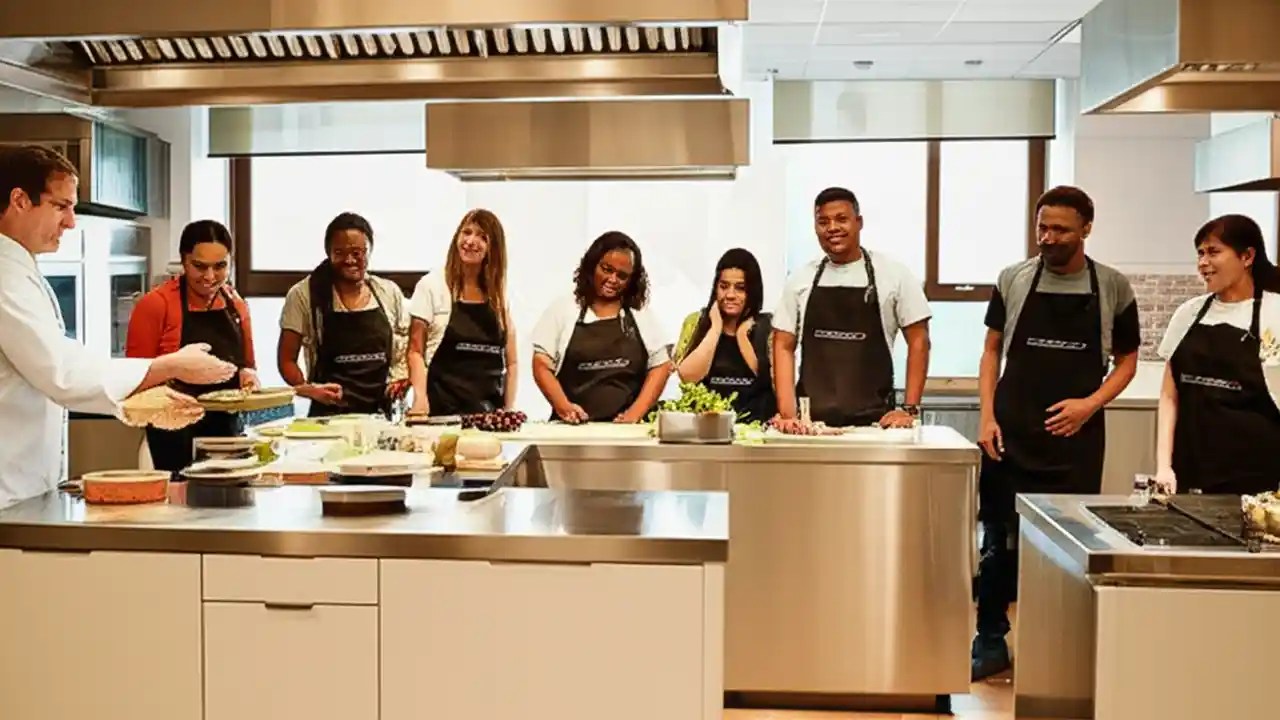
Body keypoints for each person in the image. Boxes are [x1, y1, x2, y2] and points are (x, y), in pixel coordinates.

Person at [0, 145, 234, 507]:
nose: (71, 222)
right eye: (61, 206)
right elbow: (60, 371)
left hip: (21, 485)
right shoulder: (5, 274)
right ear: (19, 200)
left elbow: (59, 358)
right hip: (9, 486)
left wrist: (148, 393)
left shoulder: (17, 266)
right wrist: (167, 366)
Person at [972, 185, 1141, 681]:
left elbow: (1127, 362)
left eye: (1060, 229)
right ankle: (990, 639)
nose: (1047, 238)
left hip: (1075, 439)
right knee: (998, 540)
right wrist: (987, 416)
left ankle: (1064, 647)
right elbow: (990, 351)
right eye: (1042, 227)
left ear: (1086, 229)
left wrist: (1089, 405)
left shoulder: (1112, 287)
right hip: (1010, 434)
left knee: (1069, 543)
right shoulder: (1014, 279)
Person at [772, 186, 932, 428]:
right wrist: (787, 415)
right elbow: (782, 344)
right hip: (812, 429)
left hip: (876, 427)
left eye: (841, 219)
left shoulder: (894, 274)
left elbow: (919, 340)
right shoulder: (800, 279)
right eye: (823, 222)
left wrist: (909, 409)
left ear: (859, 222)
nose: (832, 228)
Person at [1155, 213, 1280, 496]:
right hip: (1189, 471)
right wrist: (1164, 465)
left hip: (1259, 477)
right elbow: (1169, 395)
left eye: (1213, 252)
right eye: (1200, 253)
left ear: (1247, 256)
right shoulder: (1188, 314)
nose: (1203, 263)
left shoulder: (1276, 313)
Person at [126, 220, 259, 473]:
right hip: (173, 434)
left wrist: (248, 377)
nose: (210, 277)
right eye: (200, 266)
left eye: (220, 267)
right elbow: (134, 378)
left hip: (227, 436)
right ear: (184, 261)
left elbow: (247, 366)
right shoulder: (155, 306)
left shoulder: (236, 305)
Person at [278, 212, 410, 417]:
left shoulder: (388, 292)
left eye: (357, 253)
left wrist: (402, 378)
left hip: (380, 416)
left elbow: (408, 348)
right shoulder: (304, 295)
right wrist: (308, 388)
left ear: (368, 252)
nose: (350, 260)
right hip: (327, 419)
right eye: (339, 253)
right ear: (328, 253)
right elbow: (287, 359)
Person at [531, 231, 672, 423]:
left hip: (626, 435)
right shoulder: (563, 309)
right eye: (607, 269)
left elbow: (661, 365)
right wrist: (563, 407)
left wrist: (634, 414)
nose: (613, 280)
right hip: (571, 432)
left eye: (622, 276)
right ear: (592, 266)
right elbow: (541, 365)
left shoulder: (640, 315)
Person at [406, 209, 518, 417]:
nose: (471, 241)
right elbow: (415, 350)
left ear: (493, 249)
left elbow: (511, 362)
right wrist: (420, 399)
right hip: (442, 413)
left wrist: (508, 411)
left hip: (488, 417)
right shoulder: (432, 286)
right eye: (466, 232)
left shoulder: (500, 295)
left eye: (482, 237)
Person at [673, 248, 777, 422]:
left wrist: (742, 337)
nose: (730, 295)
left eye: (740, 288)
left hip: (757, 429)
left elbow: (769, 382)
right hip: (706, 427)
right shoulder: (696, 322)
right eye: (724, 286)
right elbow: (688, 378)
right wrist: (715, 328)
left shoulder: (769, 326)